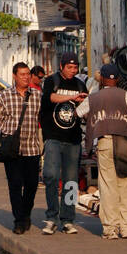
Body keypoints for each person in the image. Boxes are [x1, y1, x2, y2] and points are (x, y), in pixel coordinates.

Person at [76, 61, 127, 239]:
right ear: (118, 79)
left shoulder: (94, 97)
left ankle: (110, 229)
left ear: (103, 80)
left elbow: (78, 113)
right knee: (126, 183)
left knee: (108, 185)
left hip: (105, 142)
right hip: (126, 143)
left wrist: (94, 117)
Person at [0, 62, 43, 234]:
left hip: (32, 149)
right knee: (15, 185)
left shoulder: (37, 95)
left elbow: (43, 118)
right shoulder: (4, 96)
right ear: (14, 76)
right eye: (22, 74)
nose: (25, 77)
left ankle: (26, 213)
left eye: (28, 74)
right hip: (11, 150)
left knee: (31, 185)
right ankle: (19, 221)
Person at [40, 53, 87, 234]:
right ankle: (51, 216)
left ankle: (67, 219)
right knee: (50, 175)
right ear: (62, 66)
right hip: (53, 136)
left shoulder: (79, 84)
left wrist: (83, 104)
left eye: (75, 68)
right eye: (69, 67)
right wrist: (71, 98)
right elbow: (50, 98)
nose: (72, 71)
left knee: (71, 181)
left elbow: (84, 108)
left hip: (73, 139)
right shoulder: (52, 81)